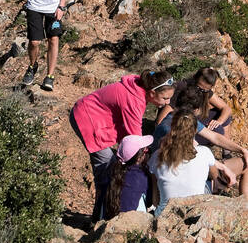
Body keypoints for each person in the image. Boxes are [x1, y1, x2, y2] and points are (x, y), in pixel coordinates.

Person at [70, 71, 176, 224]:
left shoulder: (139, 88)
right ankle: (98, 218)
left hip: (94, 115)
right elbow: (136, 142)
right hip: (87, 119)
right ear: (152, 93)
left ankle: (102, 213)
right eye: (165, 98)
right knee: (107, 169)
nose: (168, 103)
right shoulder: (134, 100)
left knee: (115, 165)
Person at [151, 84, 248, 207]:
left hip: (169, 192)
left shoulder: (178, 121)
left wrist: (243, 150)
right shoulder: (187, 132)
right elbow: (211, 170)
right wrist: (219, 165)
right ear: (196, 110)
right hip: (193, 194)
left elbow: (214, 137)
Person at [149, 110, 237, 216]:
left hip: (164, 214)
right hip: (195, 213)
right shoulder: (204, 152)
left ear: (172, 127)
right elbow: (215, 176)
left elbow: (156, 190)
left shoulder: (157, 155)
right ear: (196, 130)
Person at [155, 67, 232, 135]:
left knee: (224, 117)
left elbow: (226, 108)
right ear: (195, 79)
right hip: (178, 125)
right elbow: (162, 117)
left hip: (190, 120)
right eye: (199, 88)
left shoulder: (205, 92)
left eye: (205, 90)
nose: (201, 91)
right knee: (217, 131)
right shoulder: (182, 88)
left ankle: (227, 151)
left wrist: (219, 121)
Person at [105, 134, 155, 218]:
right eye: (146, 150)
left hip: (109, 220)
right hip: (133, 224)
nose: (148, 151)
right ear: (139, 157)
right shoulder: (143, 176)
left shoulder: (113, 170)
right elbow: (150, 202)